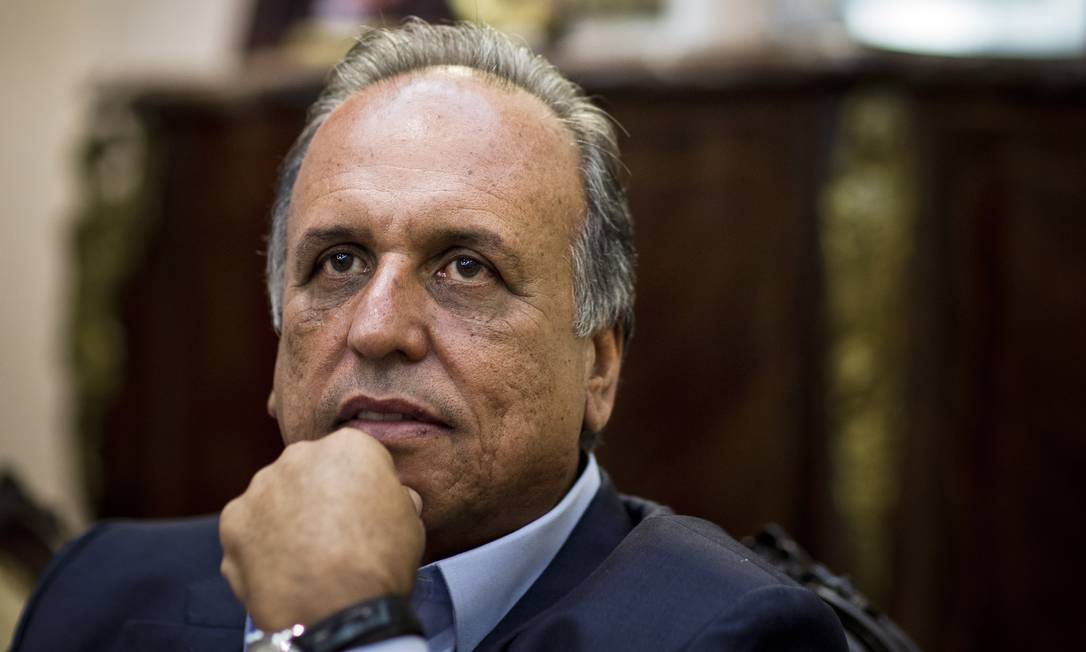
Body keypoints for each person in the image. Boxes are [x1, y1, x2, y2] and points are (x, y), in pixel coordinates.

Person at [12, 20, 847, 652]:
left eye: (466, 268)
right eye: (338, 262)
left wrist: (347, 627)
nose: (377, 329)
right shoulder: (100, 593)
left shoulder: (735, 632)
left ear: (599, 366)